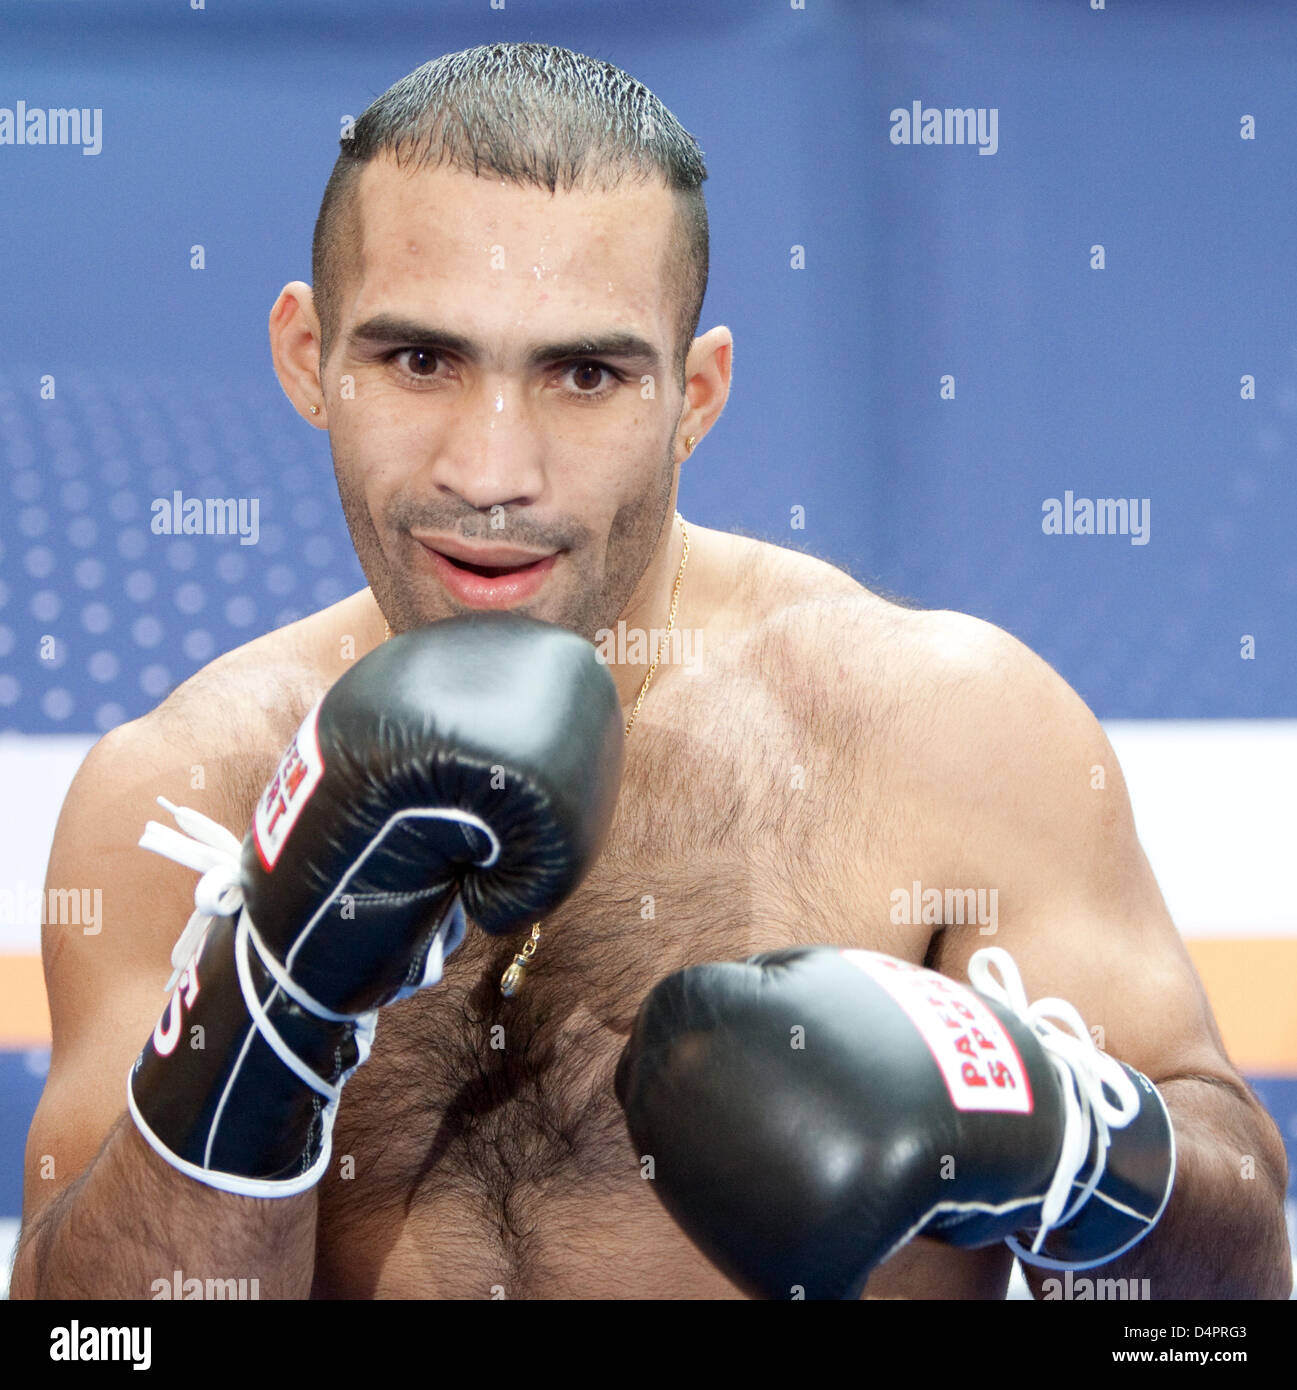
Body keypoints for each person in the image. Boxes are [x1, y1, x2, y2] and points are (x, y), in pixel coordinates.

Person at [11, 42, 1290, 1301]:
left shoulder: (943, 735)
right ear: (309, 358)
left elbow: (1222, 1311)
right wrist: (262, 1015)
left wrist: (1061, 1142)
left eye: (584, 373)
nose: (491, 471)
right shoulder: (180, 794)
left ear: (695, 393)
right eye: (420, 360)